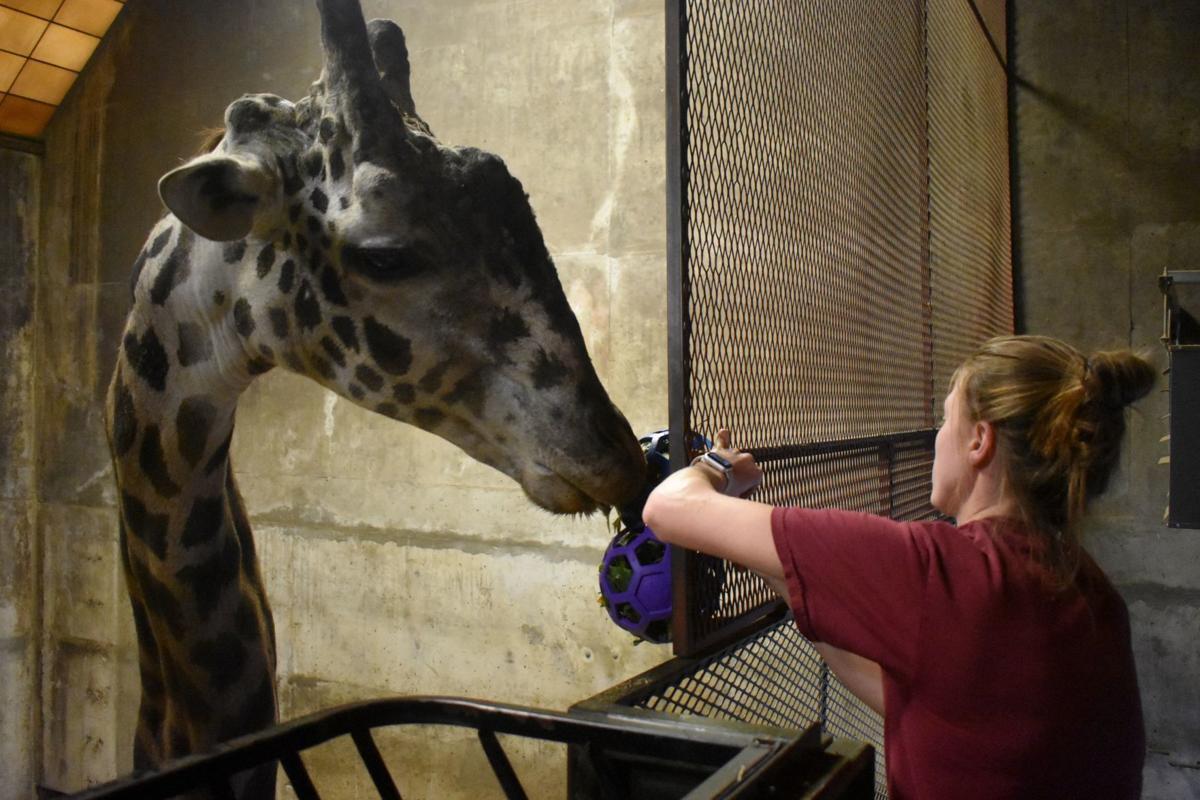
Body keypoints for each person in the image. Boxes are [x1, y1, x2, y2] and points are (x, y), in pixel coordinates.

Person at [643, 335, 1153, 799]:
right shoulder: (1088, 587)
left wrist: (716, 468)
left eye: (946, 420)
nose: (937, 438)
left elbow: (666, 508)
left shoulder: (939, 569)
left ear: (979, 441)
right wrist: (768, 558)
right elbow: (910, 698)